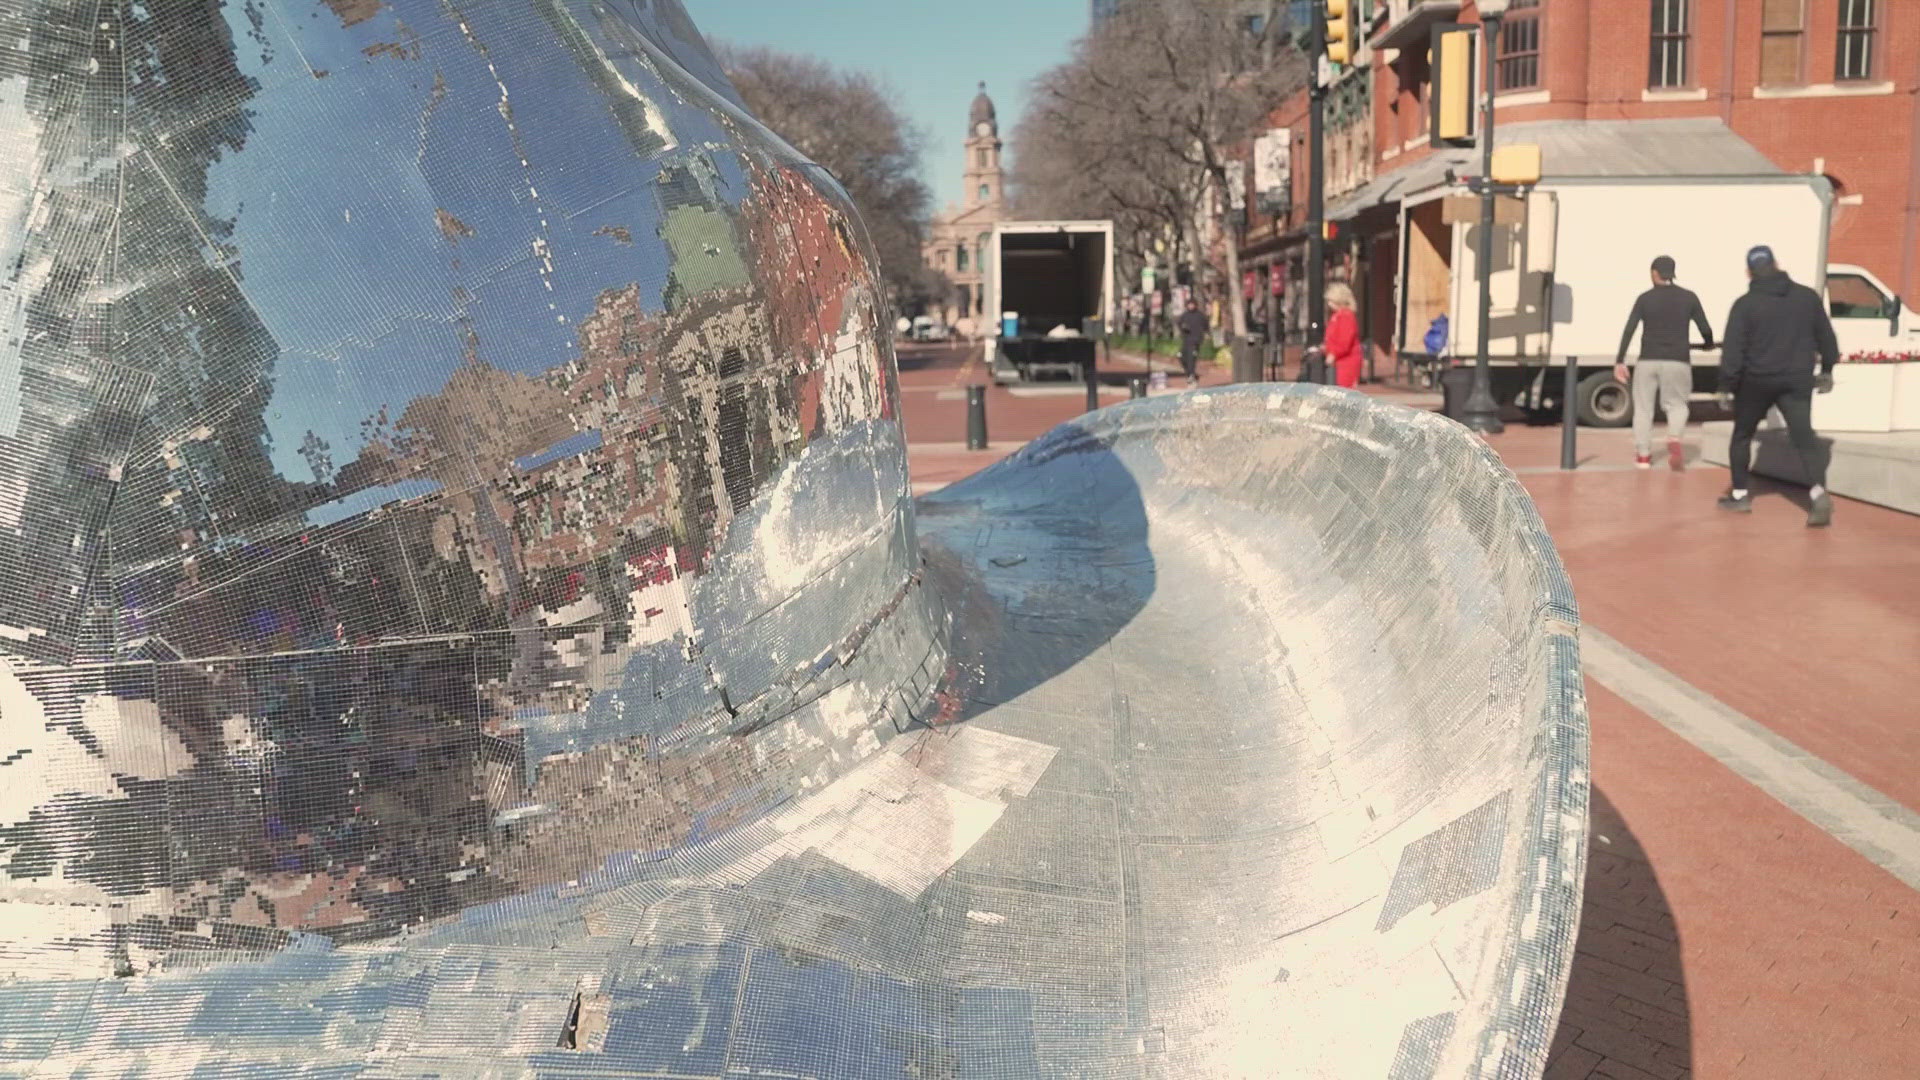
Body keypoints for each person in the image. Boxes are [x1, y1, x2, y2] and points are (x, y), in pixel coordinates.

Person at [1719, 244, 1839, 526]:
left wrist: (1726, 385)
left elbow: (1733, 351)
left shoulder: (1745, 305)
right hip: (1797, 379)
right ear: (1776, 263)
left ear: (1749, 272)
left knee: (1742, 435)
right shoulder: (1807, 298)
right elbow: (1827, 337)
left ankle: (1739, 496)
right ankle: (1818, 493)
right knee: (1803, 436)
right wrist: (1828, 369)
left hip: (1756, 381)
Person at [1615, 255, 1714, 470]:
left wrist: (1619, 360)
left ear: (1654, 273)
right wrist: (1707, 343)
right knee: (1677, 404)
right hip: (1678, 360)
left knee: (1643, 408)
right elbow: (1705, 328)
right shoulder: (1689, 297)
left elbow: (1629, 329)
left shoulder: (1645, 298)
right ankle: (1674, 437)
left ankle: (1643, 456)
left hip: (1648, 360)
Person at [1324, 282, 1363, 388]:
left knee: (1343, 391)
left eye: (1330, 301)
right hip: (1338, 361)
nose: (1329, 304)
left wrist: (1333, 353)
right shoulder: (1337, 316)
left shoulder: (1346, 316)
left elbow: (1344, 342)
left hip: (1346, 363)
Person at [1177, 299, 1209, 387]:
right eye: (1189, 305)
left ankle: (1191, 375)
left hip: (1195, 341)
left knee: (1191, 358)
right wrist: (1183, 328)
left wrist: (1204, 335)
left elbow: (1206, 325)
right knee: (1181, 356)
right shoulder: (1185, 315)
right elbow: (1179, 323)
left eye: (1192, 304)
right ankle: (1189, 373)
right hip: (1186, 340)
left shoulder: (1200, 315)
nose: (1191, 306)